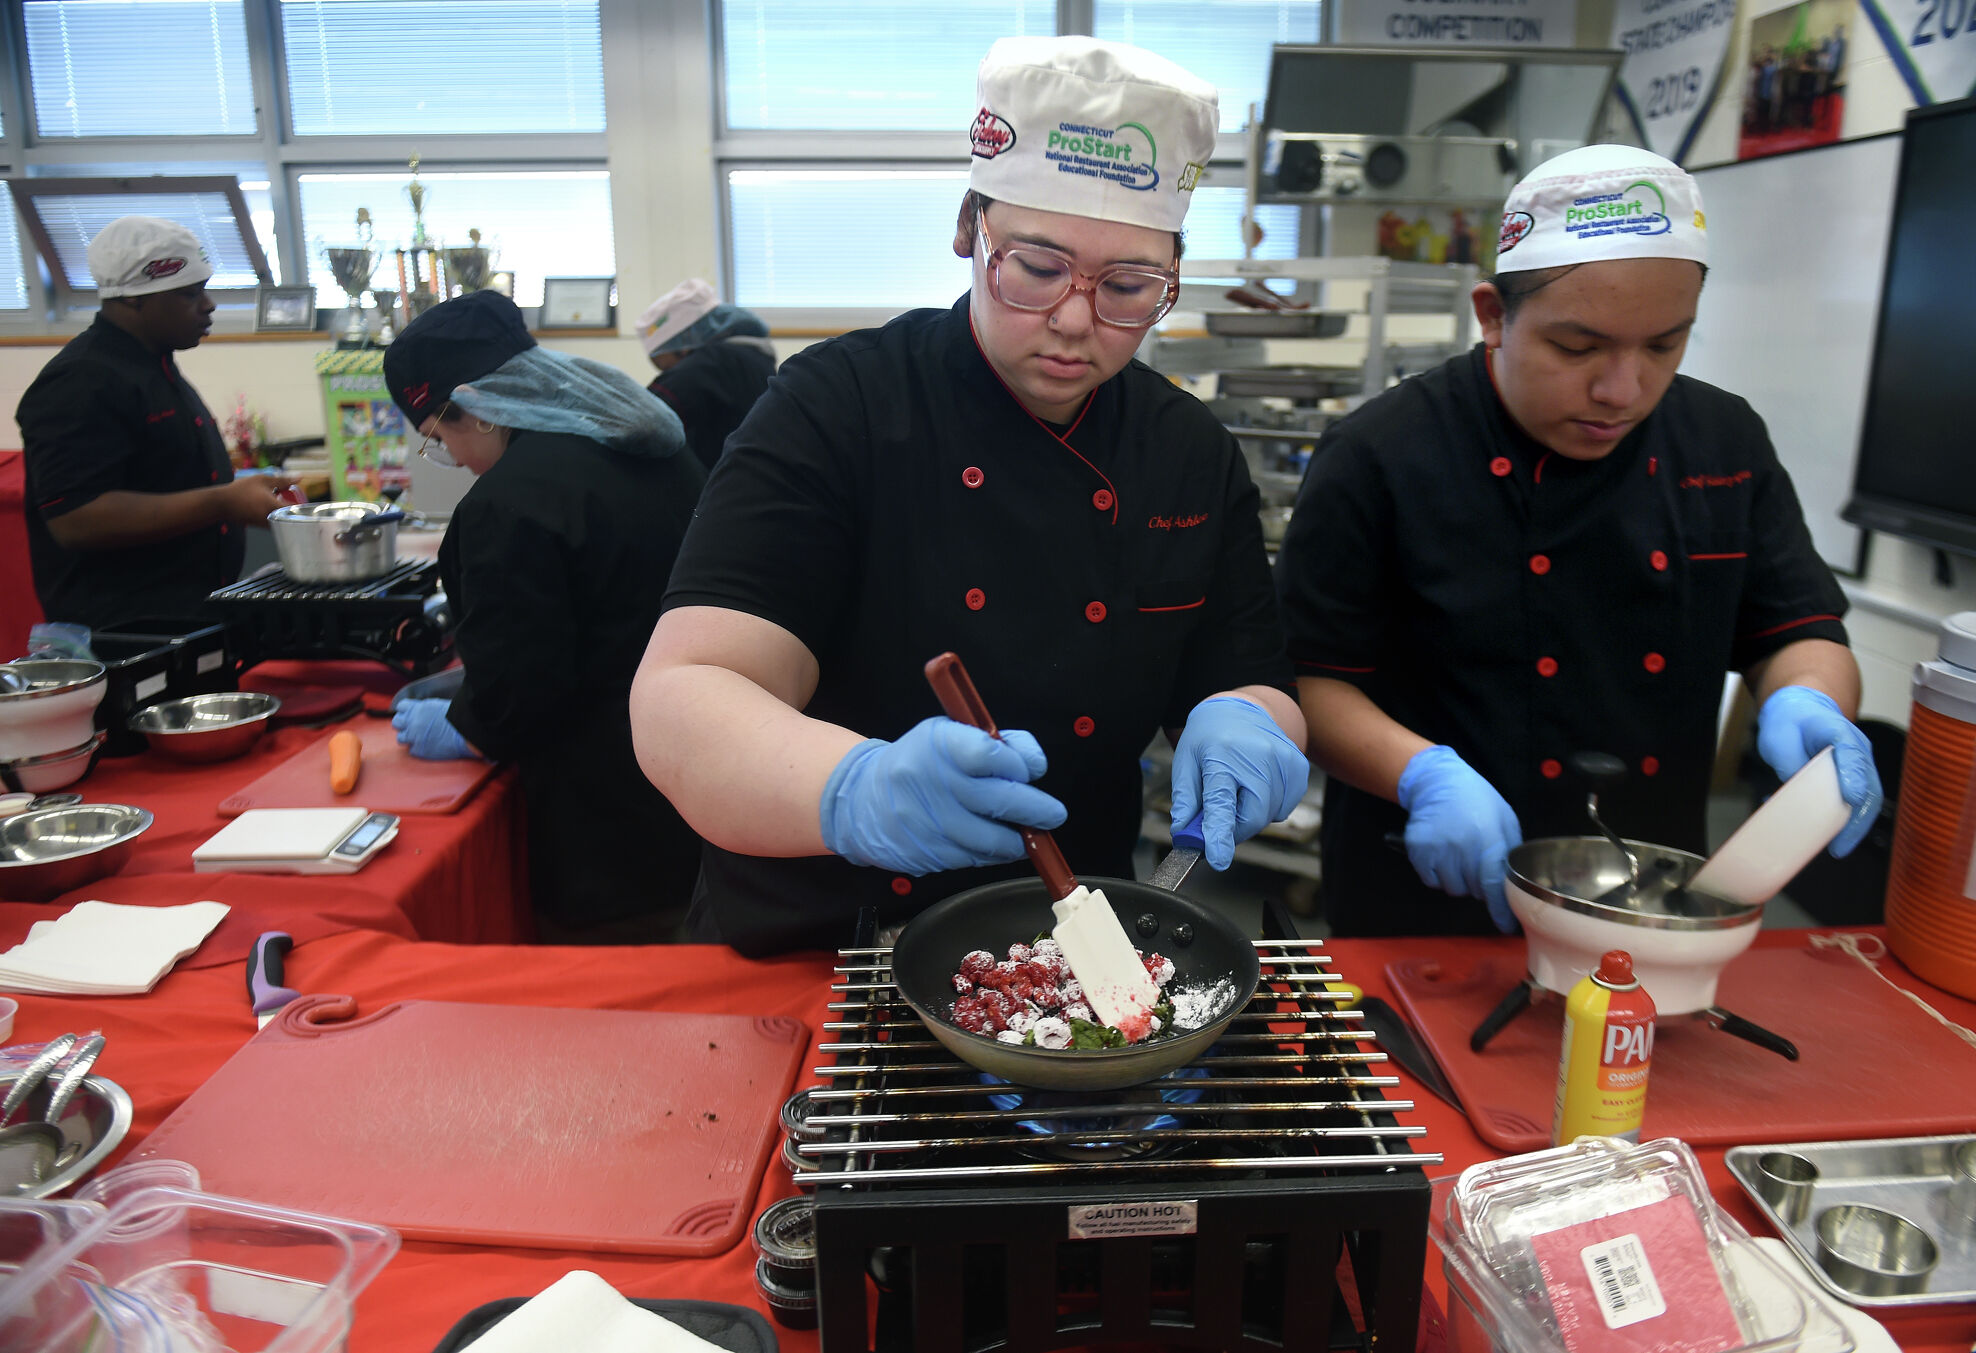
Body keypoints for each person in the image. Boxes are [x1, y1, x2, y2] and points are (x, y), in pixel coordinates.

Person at [632, 37, 1310, 957]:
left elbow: (1244, 675)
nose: (1076, 320)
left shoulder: (1186, 450)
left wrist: (1253, 721)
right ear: (968, 230)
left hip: (1068, 938)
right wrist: (853, 788)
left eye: (1129, 287)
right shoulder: (837, 407)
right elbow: (684, 695)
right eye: (1035, 266)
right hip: (819, 938)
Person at [1275, 145, 1883, 937]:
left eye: (1664, 345)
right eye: (1577, 347)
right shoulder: (1381, 454)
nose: (1621, 390)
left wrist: (1809, 696)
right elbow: (1309, 682)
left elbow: (1796, 627)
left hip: (1656, 890)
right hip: (1429, 896)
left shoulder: (1722, 441)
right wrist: (1420, 773)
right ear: (1492, 315)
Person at [380, 289, 708, 940]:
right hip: (700, 786)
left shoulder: (509, 504)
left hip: (609, 827)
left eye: (440, 440)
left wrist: (467, 719)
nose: (458, 461)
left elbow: (522, 694)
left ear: (473, 407)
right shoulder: (645, 444)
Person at [17, 217, 284, 630]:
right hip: (123, 635)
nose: (208, 305)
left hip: (186, 619)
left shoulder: (153, 368)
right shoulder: (80, 381)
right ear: (134, 298)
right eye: (188, 294)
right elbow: (77, 519)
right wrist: (225, 501)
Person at [634, 281, 777, 477]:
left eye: (666, 367)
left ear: (683, 346)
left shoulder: (704, 367)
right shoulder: (752, 354)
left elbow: (640, 419)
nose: (667, 374)